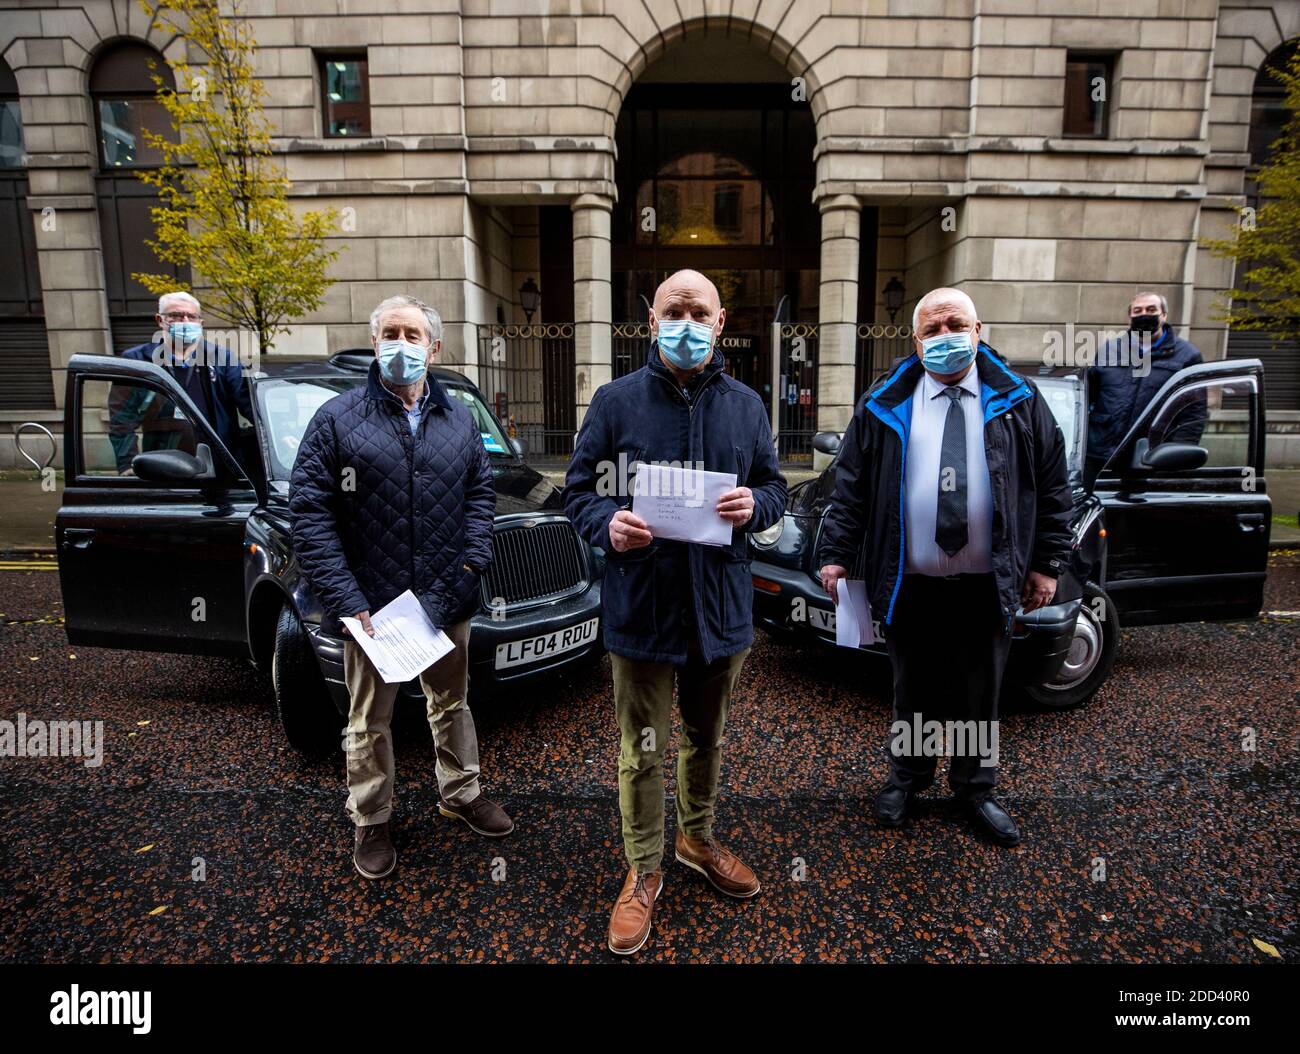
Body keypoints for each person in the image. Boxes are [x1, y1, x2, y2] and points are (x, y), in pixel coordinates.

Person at [562, 269, 787, 955]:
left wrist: (758, 507)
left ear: (720, 323)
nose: (686, 323)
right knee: (642, 751)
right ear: (651, 321)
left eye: (698, 312)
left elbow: (775, 487)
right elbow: (577, 492)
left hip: (720, 608)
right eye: (672, 311)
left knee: (706, 738)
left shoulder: (747, 405)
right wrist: (608, 524)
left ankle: (696, 838)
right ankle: (644, 868)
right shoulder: (614, 401)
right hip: (644, 608)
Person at [818, 288, 1072, 848]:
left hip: (988, 581)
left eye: (954, 324)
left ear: (979, 329)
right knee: (913, 687)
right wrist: (835, 554)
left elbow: (1054, 488)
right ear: (916, 340)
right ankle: (907, 780)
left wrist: (1048, 563)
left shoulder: (1020, 400)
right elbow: (851, 486)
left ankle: (974, 788)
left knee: (980, 691)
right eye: (931, 330)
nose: (943, 337)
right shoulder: (886, 402)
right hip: (913, 580)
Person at [289, 293, 513, 881]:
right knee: (368, 721)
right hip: (374, 610)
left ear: (434, 348)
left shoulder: (460, 419)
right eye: (391, 332)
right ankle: (371, 817)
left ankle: (461, 792)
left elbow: (480, 500)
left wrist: (467, 572)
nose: (401, 345)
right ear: (375, 341)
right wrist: (347, 600)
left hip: (445, 601)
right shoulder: (337, 420)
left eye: (413, 335)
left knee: (451, 701)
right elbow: (309, 514)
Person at [111, 291, 252, 473]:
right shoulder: (139, 360)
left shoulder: (222, 358)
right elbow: (122, 418)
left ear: (200, 323)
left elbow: (248, 404)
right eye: (176, 315)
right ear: (160, 320)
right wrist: (126, 463)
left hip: (221, 464)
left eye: (191, 316)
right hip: (163, 464)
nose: (185, 321)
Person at [1086, 291, 1205, 485]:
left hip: (1151, 459)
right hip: (1101, 455)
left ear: (1163, 315)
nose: (1143, 315)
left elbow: (1194, 414)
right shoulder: (1109, 349)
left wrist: (1176, 458)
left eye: (1151, 310)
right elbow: (1089, 397)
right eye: (1137, 310)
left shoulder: (1187, 356)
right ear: (1129, 317)